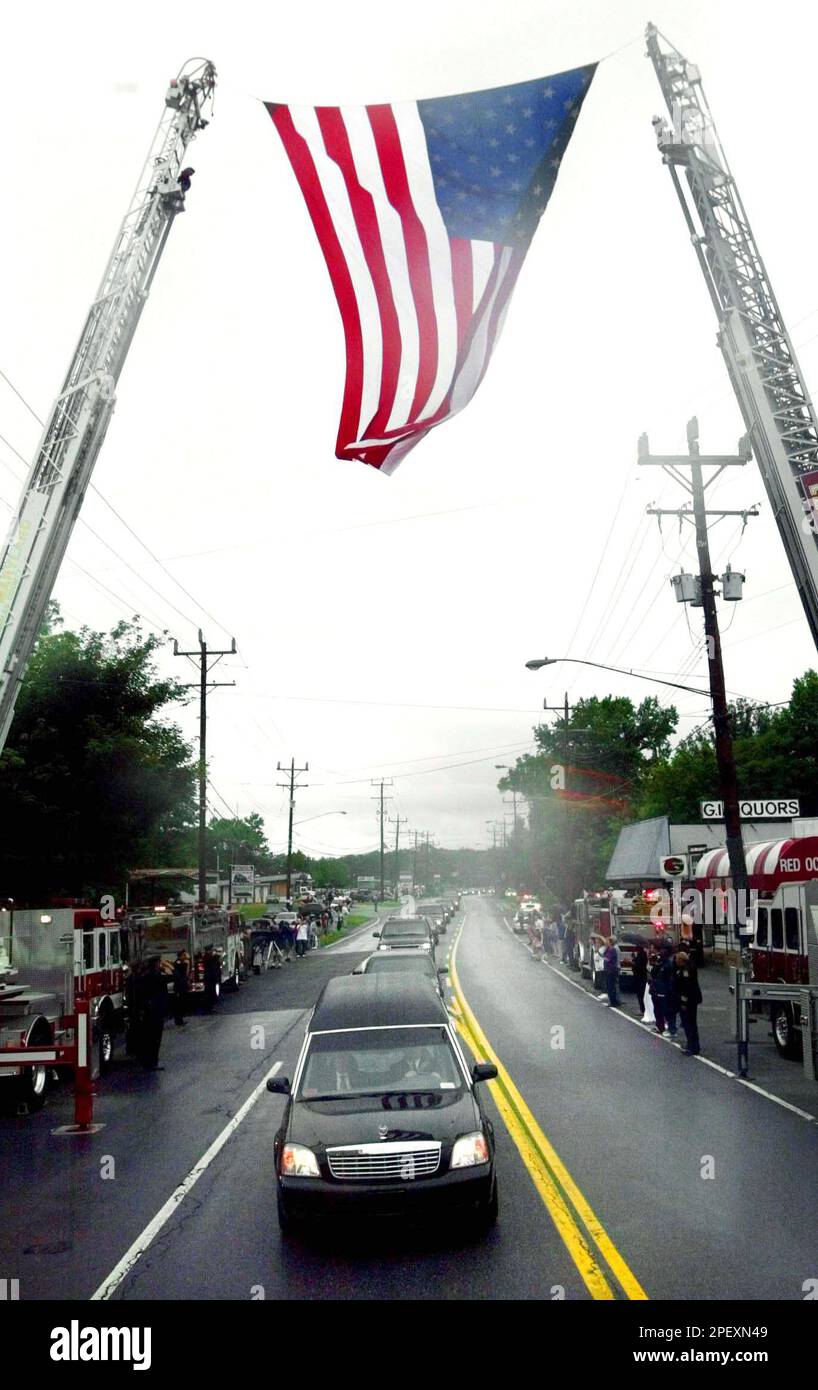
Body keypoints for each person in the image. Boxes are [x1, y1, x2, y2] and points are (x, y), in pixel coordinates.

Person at [134, 957, 168, 1069]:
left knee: (148, 1037)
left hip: (148, 1010)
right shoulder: (156, 976)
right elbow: (173, 978)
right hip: (156, 1010)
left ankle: (147, 1061)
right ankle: (152, 1062)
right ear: (156, 964)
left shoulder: (143, 976)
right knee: (155, 1038)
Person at [674, 950, 703, 1055]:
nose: (675, 961)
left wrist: (683, 1002)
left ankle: (692, 1046)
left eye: (677, 959)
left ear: (681, 960)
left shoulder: (686, 970)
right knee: (690, 1024)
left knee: (689, 1024)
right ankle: (693, 1045)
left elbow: (687, 987)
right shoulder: (683, 968)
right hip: (690, 999)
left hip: (689, 1000)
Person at [650, 944, 678, 1037]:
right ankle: (660, 1026)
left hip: (665, 991)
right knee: (657, 1010)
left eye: (661, 954)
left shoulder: (669, 965)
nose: (659, 955)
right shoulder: (660, 964)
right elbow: (653, 974)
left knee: (667, 1011)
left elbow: (670, 979)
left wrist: (669, 991)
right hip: (656, 990)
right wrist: (656, 965)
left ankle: (672, 1029)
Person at [171, 950, 190, 1027]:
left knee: (181, 1003)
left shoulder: (181, 963)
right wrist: (187, 960)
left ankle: (180, 1020)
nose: (184, 956)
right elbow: (186, 972)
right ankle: (178, 1020)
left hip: (181, 986)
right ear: (180, 956)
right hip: (179, 987)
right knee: (178, 1004)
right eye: (183, 955)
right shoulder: (178, 963)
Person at [602, 935, 621, 1008]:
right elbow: (605, 954)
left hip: (611, 971)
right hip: (608, 970)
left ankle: (614, 1001)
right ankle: (612, 1000)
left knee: (611, 986)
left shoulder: (613, 950)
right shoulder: (608, 949)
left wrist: (603, 957)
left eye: (608, 942)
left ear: (611, 942)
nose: (606, 943)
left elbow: (608, 959)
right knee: (609, 986)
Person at [631, 943, 648, 1017]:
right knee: (639, 994)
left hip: (640, 977)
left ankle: (643, 1009)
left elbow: (639, 966)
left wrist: (632, 962)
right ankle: (642, 1008)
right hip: (638, 977)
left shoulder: (642, 956)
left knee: (641, 994)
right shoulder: (640, 955)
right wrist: (634, 958)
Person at [202, 946, 221, 1014]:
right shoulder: (208, 957)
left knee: (211, 993)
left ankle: (210, 1008)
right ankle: (209, 1008)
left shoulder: (208, 957)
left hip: (211, 978)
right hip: (210, 978)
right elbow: (216, 958)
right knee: (209, 993)